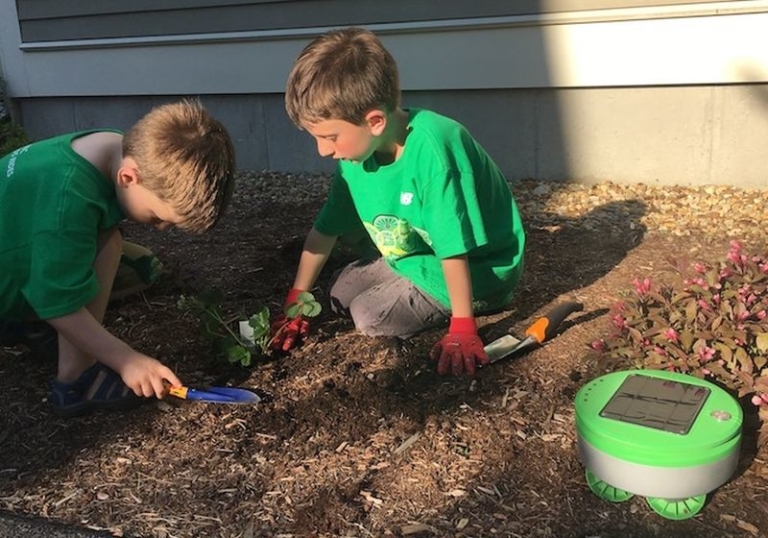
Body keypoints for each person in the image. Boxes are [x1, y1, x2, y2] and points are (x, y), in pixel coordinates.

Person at [272, 27, 526, 377]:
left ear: (374, 121)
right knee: (339, 293)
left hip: (479, 269)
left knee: (368, 316)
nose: (323, 150)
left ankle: (480, 301)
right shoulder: (356, 160)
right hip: (417, 256)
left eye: (329, 137)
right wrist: (296, 298)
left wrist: (463, 327)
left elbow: (453, 249)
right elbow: (324, 231)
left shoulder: (435, 151)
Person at [0, 99, 236, 415]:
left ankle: (31, 325)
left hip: (20, 248)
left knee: (124, 254)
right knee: (83, 278)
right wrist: (126, 359)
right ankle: (74, 382)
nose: (162, 229)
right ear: (129, 177)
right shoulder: (65, 204)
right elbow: (57, 301)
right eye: (158, 217)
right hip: (14, 273)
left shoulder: (114, 145)